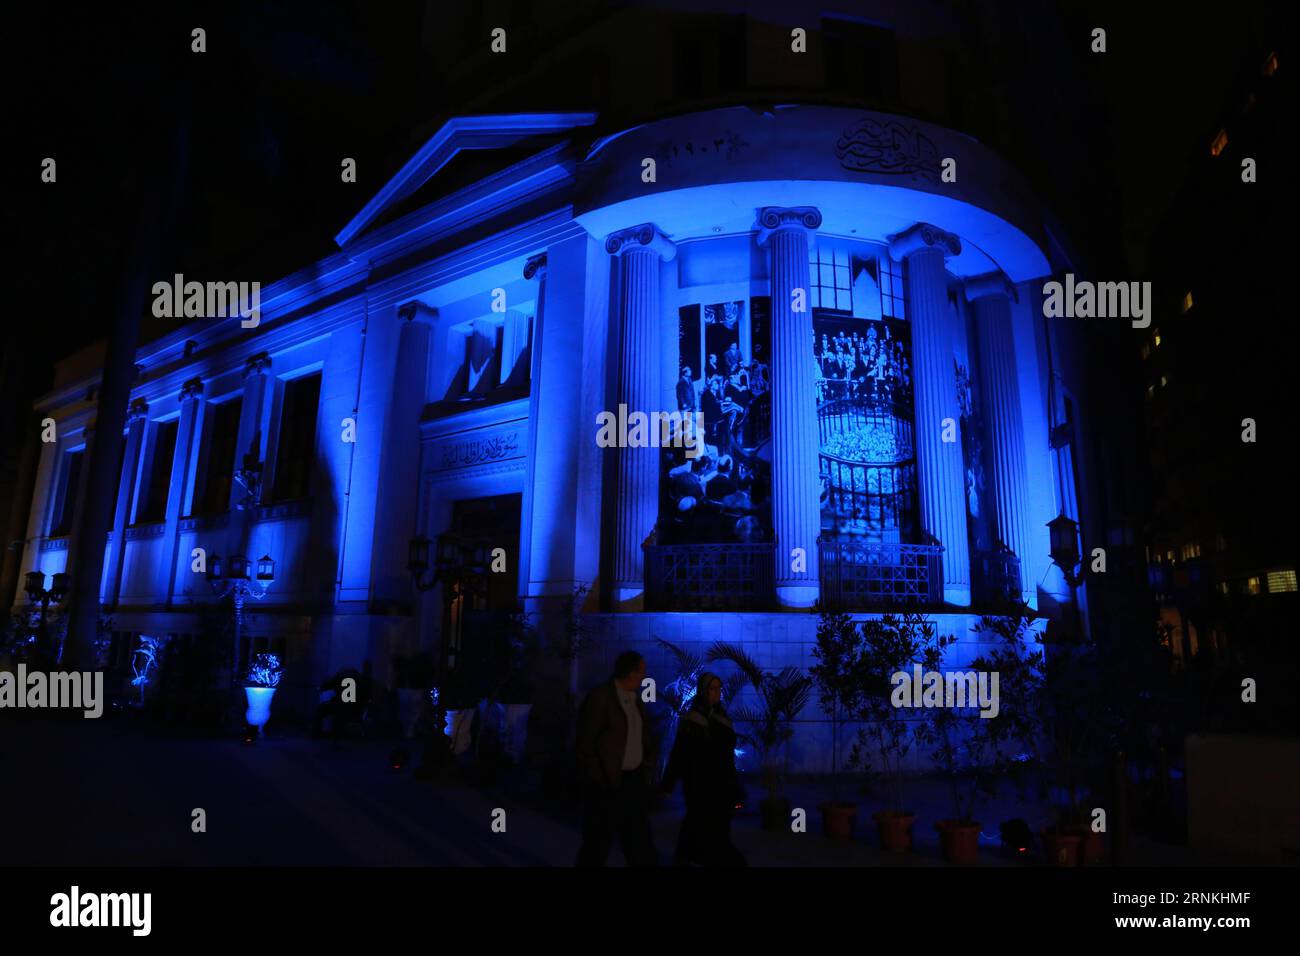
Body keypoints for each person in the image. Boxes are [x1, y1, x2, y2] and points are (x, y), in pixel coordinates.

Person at [575, 651, 659, 866]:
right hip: (608, 782)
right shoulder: (601, 697)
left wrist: (647, 767)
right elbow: (585, 743)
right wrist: (599, 776)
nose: (644, 676)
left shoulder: (635, 700)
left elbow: (643, 738)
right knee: (597, 844)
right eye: (642, 671)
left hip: (633, 780)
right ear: (631, 672)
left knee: (639, 843)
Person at [662, 671, 747, 866]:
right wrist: (668, 784)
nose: (717, 693)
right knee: (697, 819)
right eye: (712, 689)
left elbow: (726, 750)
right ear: (703, 691)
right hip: (699, 780)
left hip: (721, 779)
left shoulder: (721, 716)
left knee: (719, 822)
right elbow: (680, 752)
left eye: (719, 689)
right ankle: (688, 856)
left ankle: (710, 855)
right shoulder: (694, 718)